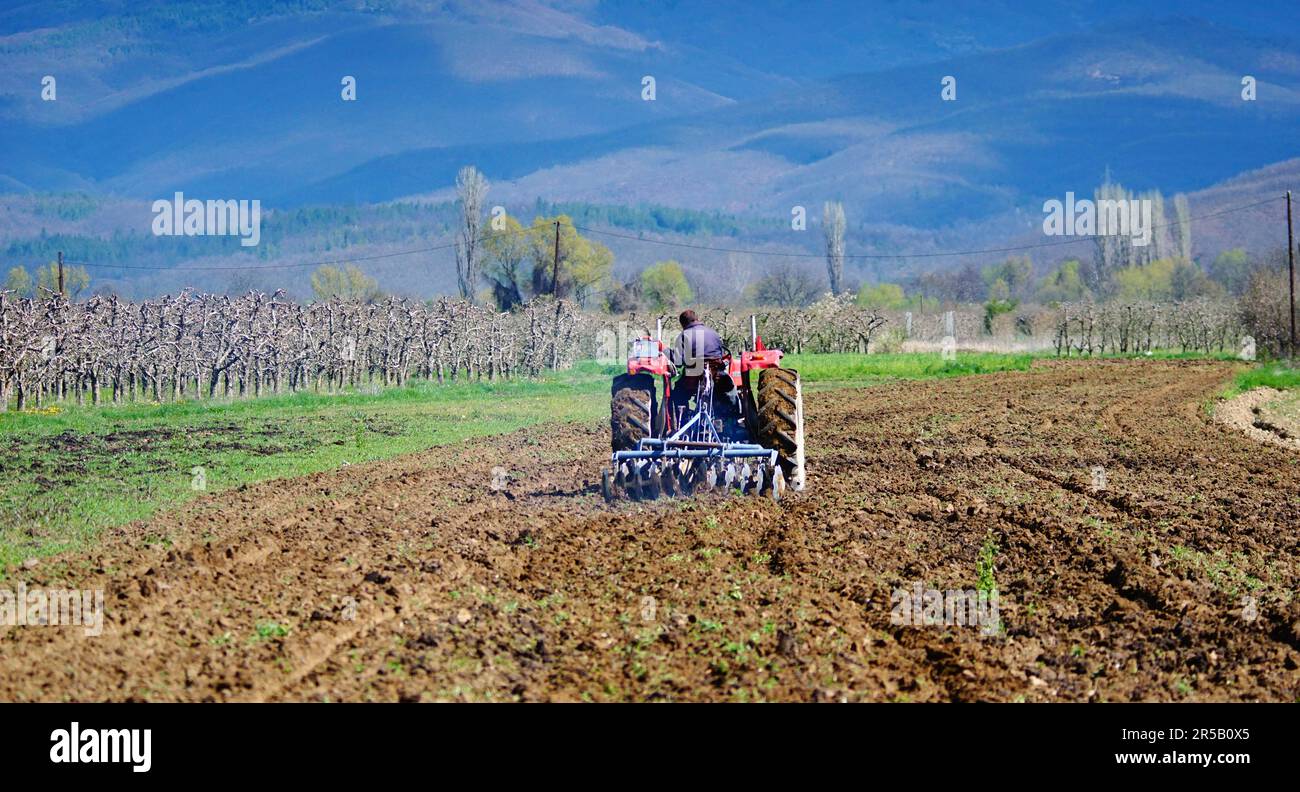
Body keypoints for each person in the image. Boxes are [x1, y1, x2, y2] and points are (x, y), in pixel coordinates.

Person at [667, 309, 724, 415]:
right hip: (716, 376)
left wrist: (668, 353)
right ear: (697, 319)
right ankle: (730, 417)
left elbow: (678, 362)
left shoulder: (684, 335)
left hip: (692, 379)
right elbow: (721, 355)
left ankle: (683, 418)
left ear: (683, 324)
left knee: (677, 393)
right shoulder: (714, 333)